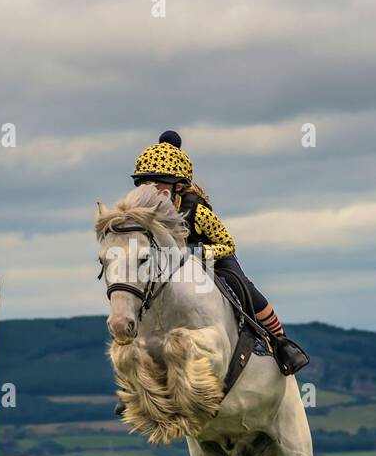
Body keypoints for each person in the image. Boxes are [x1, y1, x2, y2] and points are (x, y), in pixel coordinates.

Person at [129, 130, 310, 375]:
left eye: (157, 183)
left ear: (178, 186)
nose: (150, 191)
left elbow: (228, 245)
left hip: (215, 261)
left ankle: (281, 343)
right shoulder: (147, 216)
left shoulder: (197, 211)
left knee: (245, 287)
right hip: (171, 269)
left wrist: (196, 252)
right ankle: (138, 375)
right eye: (145, 184)